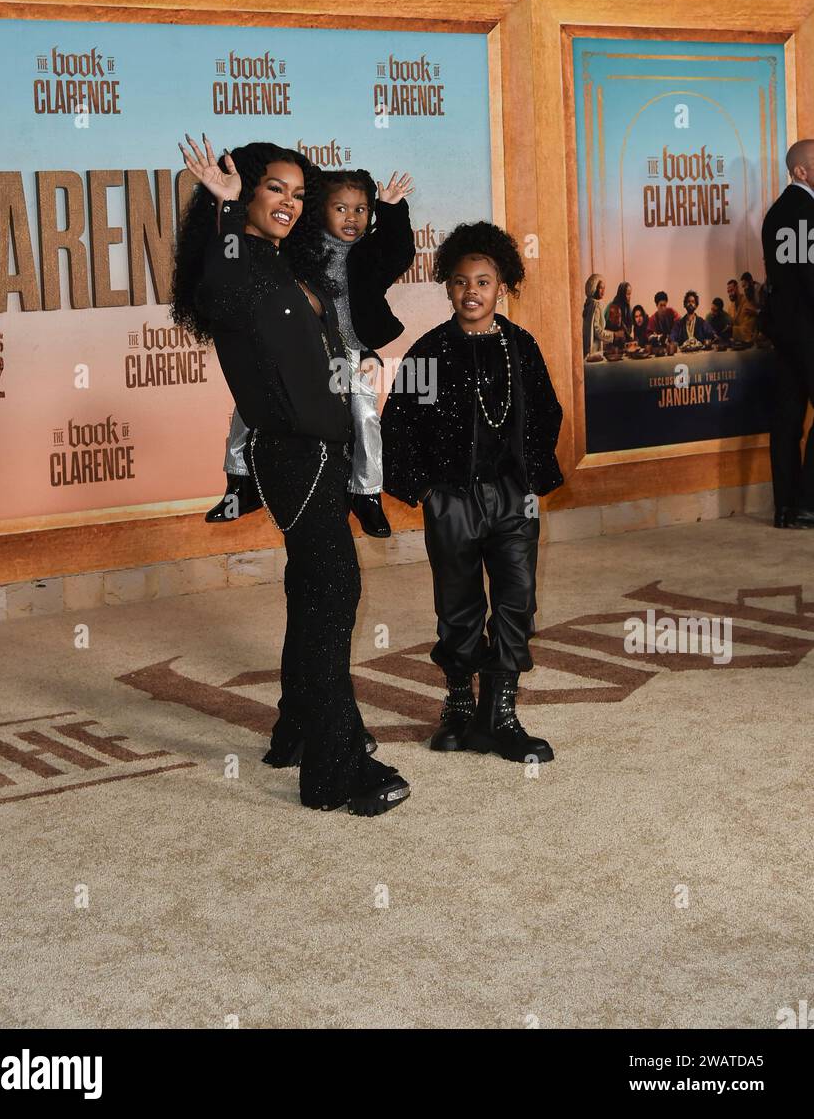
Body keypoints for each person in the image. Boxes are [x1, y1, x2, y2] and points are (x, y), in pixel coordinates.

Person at [171, 134, 409, 816]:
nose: (289, 201)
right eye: (273, 186)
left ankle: (297, 729)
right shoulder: (233, 267)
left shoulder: (282, 267)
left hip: (326, 452)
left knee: (314, 591)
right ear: (241, 189)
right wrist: (218, 212)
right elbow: (215, 287)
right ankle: (337, 770)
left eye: (298, 192)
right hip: (294, 455)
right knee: (334, 594)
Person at [381, 221, 564, 763]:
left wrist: (528, 477)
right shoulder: (430, 350)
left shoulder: (520, 346)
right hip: (453, 500)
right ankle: (460, 703)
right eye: (461, 282)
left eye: (483, 282)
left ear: (501, 286)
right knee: (458, 604)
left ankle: (500, 712)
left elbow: (547, 412)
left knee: (516, 598)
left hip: (513, 498)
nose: (471, 292)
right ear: (446, 287)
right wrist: (426, 490)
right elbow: (399, 423)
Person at [206, 168, 416, 536]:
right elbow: (245, 255)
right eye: (341, 209)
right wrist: (231, 207)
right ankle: (240, 484)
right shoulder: (299, 249)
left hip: (348, 352)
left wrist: (393, 208)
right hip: (300, 349)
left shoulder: (370, 256)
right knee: (249, 400)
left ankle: (366, 494)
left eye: (361, 210)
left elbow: (399, 252)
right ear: (320, 210)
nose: (351, 218)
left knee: (365, 413)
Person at [761, 138, 814, 528]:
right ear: (800, 171)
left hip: (783, 334)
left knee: (785, 420)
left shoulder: (775, 213)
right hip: (810, 331)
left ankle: (784, 508)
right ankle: (808, 503)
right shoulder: (808, 213)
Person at [582, 274, 623, 359]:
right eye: (600, 288)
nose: (603, 291)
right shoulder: (596, 305)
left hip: (588, 349)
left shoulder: (589, 303)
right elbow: (597, 332)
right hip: (593, 351)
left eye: (604, 288)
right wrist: (614, 335)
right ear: (594, 288)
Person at [726, 278, 758, 343]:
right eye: (728, 292)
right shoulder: (730, 308)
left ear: (737, 288)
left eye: (731, 290)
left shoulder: (747, 303)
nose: (730, 294)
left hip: (751, 342)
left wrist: (732, 330)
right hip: (736, 343)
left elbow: (748, 329)